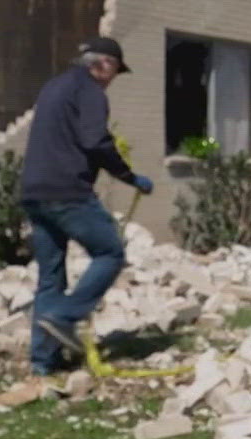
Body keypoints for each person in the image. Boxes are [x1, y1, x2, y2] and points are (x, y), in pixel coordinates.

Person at [19, 36, 153, 375]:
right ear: (103, 64)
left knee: (50, 278)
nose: (112, 80)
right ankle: (64, 317)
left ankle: (42, 363)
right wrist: (129, 176)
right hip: (68, 191)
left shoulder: (53, 88)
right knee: (110, 253)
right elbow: (95, 140)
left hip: (34, 191)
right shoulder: (91, 91)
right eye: (115, 72)